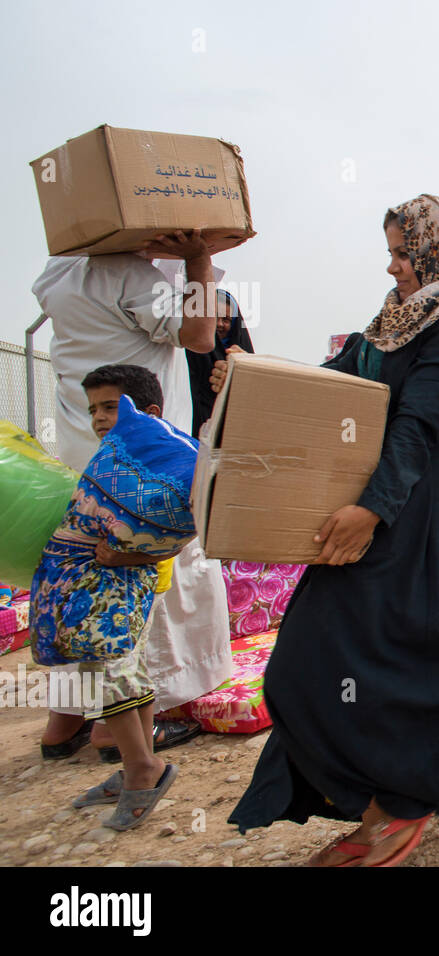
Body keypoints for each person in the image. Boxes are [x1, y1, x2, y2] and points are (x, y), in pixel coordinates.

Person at [228, 195, 439, 866]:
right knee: (344, 663)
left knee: (343, 662)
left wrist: (373, 512)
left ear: (437, 253)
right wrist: (251, 377)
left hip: (401, 518)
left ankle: (395, 810)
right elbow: (336, 387)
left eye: (401, 253)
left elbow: (423, 425)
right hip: (369, 508)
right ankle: (398, 797)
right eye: (389, 251)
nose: (391, 267)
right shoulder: (396, 320)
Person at [31, 230, 224, 760]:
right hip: (139, 471)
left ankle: (64, 724)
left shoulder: (62, 271)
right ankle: (121, 732)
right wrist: (197, 257)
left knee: (79, 587)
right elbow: (201, 335)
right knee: (138, 594)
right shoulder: (133, 277)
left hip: (82, 457)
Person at [42, 365, 183, 829]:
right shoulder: (119, 456)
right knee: (127, 670)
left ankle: (144, 770)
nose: (100, 417)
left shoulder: (162, 459)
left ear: (149, 413)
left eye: (109, 406)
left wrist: (124, 557)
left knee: (107, 671)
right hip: (108, 580)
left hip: (121, 580)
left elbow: (173, 529)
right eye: (93, 409)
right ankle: (135, 765)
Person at [185, 289, 253, 438]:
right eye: (213, 317)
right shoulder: (187, 349)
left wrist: (242, 371)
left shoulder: (244, 358)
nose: (219, 324)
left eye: (226, 319)